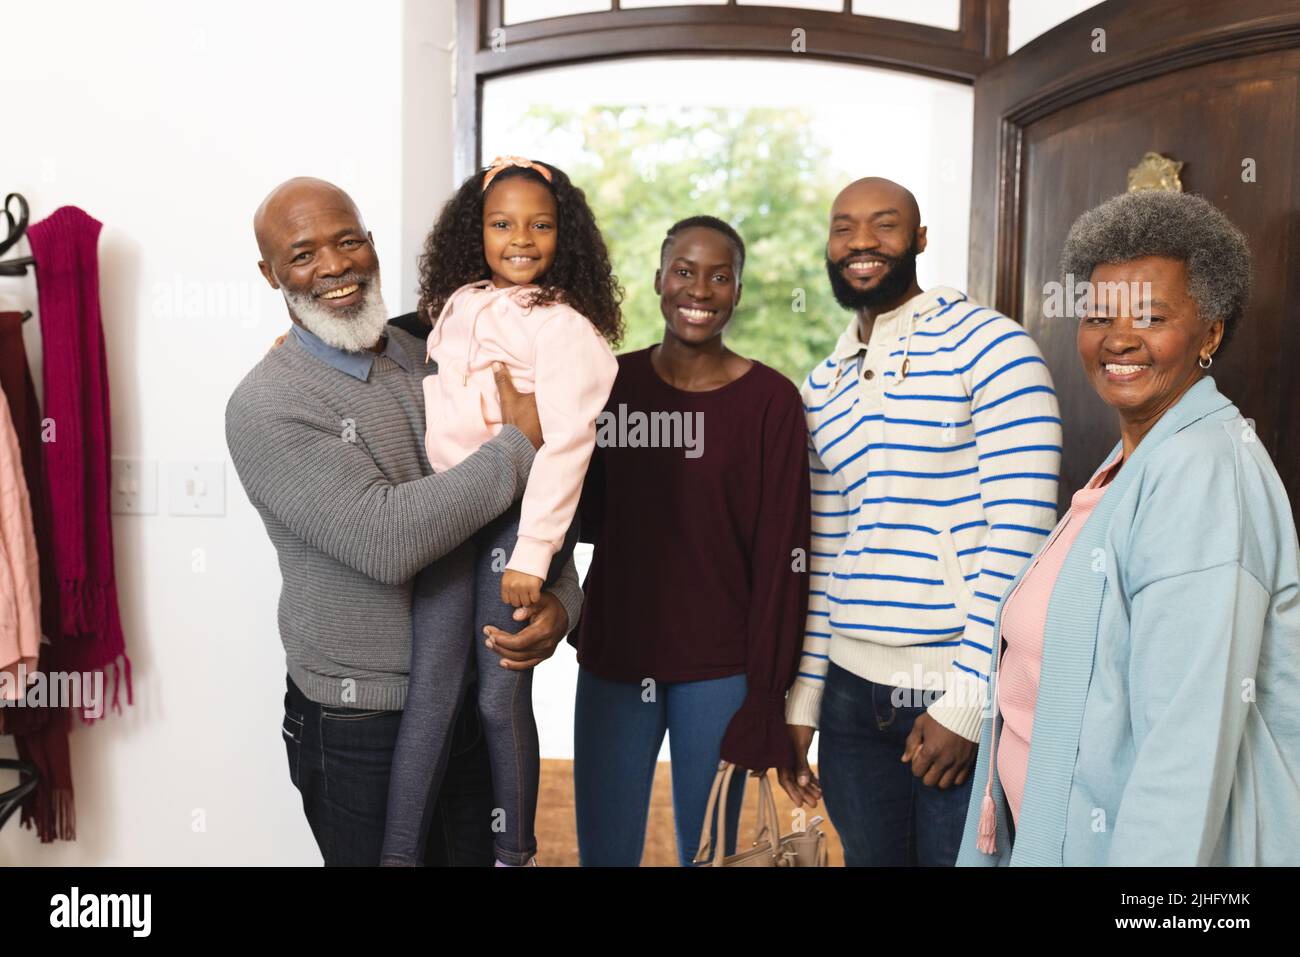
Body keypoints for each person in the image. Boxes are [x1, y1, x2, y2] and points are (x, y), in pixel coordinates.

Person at [225, 177, 584, 866]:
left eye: (348, 240)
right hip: (363, 720)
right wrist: (518, 443)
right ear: (270, 274)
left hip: (471, 696)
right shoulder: (268, 404)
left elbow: (527, 499)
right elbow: (388, 539)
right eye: (302, 254)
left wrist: (563, 597)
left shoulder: (434, 349)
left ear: (371, 244)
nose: (333, 266)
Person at [958, 189, 1300, 866]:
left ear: (1210, 332)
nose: (1117, 338)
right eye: (1099, 316)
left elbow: (1185, 746)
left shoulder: (1202, 474)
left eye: (1151, 315)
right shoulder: (1132, 460)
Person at [779, 177, 1062, 866]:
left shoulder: (992, 346)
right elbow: (828, 550)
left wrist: (967, 701)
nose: (862, 242)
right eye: (844, 227)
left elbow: (1022, 534)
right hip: (847, 695)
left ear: (920, 239)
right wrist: (804, 699)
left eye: (884, 224)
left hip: (950, 683)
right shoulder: (823, 385)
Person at [380, 157, 620, 867]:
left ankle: (513, 851)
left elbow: (568, 445)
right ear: (475, 232)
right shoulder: (457, 306)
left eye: (540, 224)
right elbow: (405, 354)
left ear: (564, 234)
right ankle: (396, 856)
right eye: (502, 223)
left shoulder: (565, 326)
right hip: (452, 511)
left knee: (496, 697)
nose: (522, 237)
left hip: (516, 523)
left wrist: (533, 556)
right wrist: (297, 347)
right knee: (431, 693)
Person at [572, 216, 811, 866]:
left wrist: (768, 696)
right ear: (657, 280)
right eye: (684, 270)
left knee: (717, 855)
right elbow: (573, 512)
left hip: (722, 669)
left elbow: (783, 561)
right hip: (616, 656)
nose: (699, 288)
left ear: (737, 289)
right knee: (605, 853)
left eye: (719, 275)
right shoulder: (607, 385)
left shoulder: (772, 402)